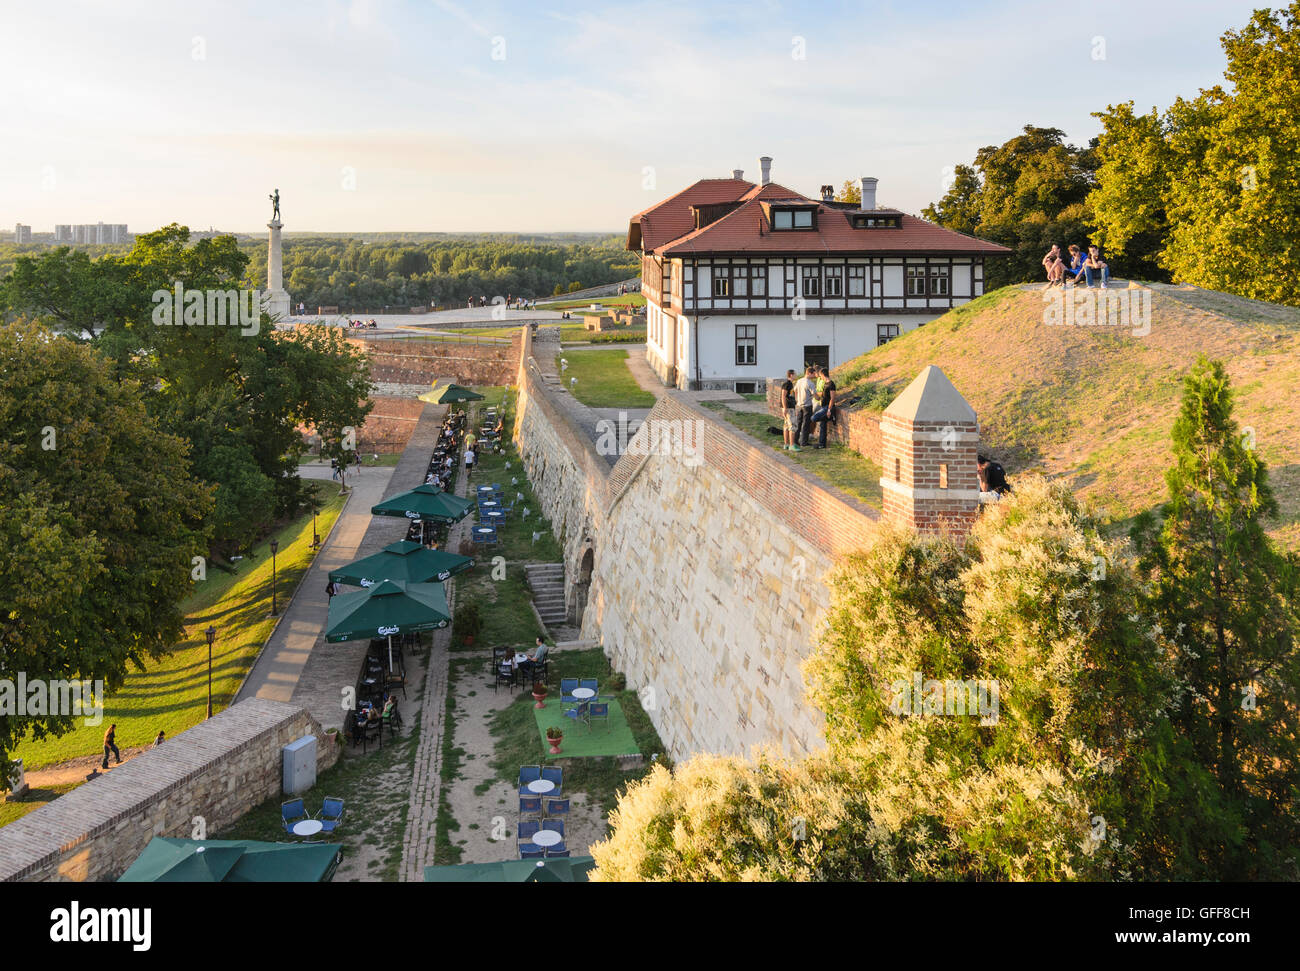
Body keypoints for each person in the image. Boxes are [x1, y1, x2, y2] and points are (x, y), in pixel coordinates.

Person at [793, 365, 816, 448]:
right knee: (806, 424)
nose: (815, 376)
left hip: (799, 405)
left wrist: (796, 400)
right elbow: (815, 395)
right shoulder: (810, 383)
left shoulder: (799, 381)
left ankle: (795, 441)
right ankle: (804, 442)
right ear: (809, 373)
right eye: (814, 374)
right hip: (807, 406)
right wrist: (819, 397)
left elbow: (795, 390)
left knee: (798, 424)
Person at [815, 366, 837, 449]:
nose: (820, 377)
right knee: (822, 425)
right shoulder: (825, 383)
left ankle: (831, 416)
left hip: (827, 407)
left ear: (823, 375)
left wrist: (829, 410)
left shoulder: (831, 384)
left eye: (821, 376)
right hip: (823, 406)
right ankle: (822, 444)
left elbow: (832, 398)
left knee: (813, 418)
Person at [780, 369, 798, 451]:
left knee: (787, 426)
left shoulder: (790, 384)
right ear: (791, 375)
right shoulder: (787, 384)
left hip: (789, 407)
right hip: (789, 408)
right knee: (792, 426)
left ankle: (786, 444)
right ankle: (791, 445)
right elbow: (783, 396)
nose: (796, 375)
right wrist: (784, 408)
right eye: (795, 374)